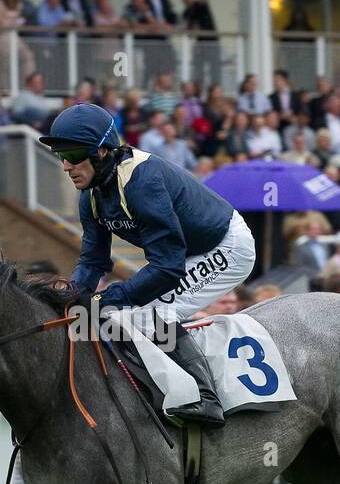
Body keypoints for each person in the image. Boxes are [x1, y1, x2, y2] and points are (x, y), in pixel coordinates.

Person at [39, 102, 257, 427]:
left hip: (226, 245)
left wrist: (105, 299)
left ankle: (205, 397)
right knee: (118, 314)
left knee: (153, 315)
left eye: (71, 155)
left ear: (101, 152)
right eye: (61, 157)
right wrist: (69, 298)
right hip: (186, 252)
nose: (66, 166)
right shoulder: (91, 195)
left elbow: (168, 267)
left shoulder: (142, 182)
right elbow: (94, 260)